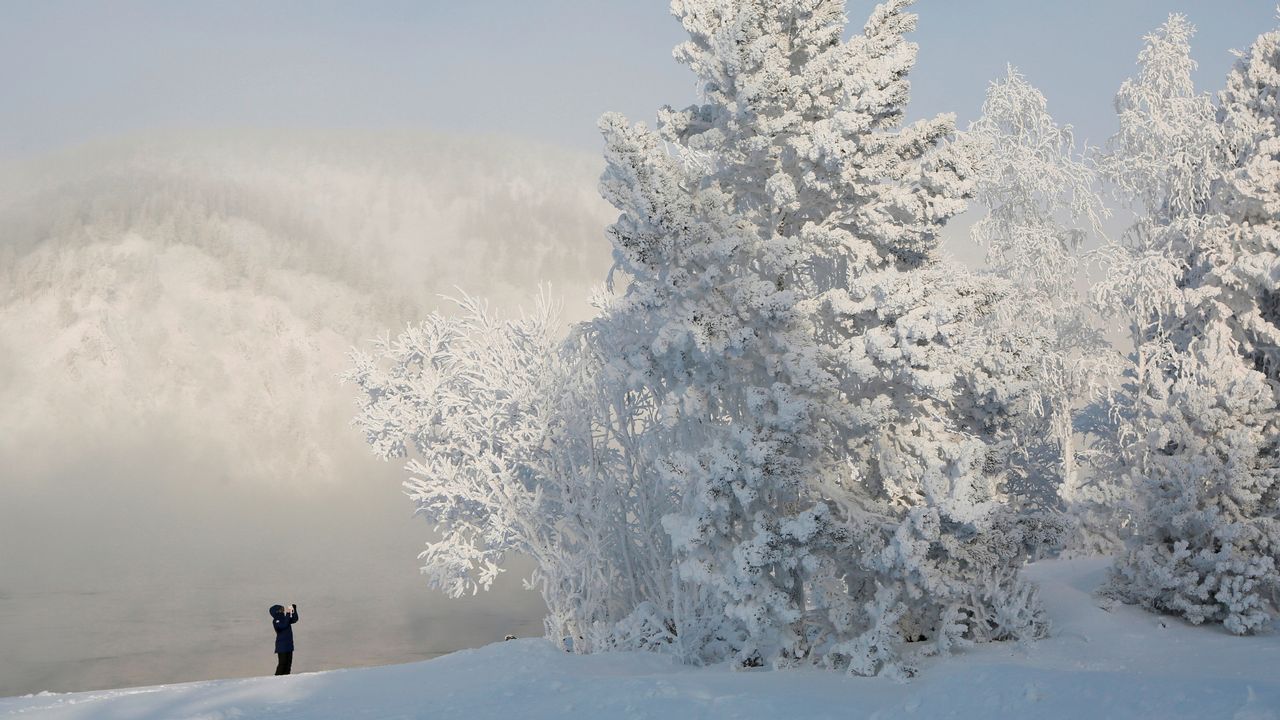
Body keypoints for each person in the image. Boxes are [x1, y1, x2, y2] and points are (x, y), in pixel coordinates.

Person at [269, 603, 299, 675]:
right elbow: (283, 625)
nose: (283, 610)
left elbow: (295, 619)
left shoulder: (285, 618)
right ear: (276, 611)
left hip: (289, 645)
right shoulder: (276, 620)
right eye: (281, 609)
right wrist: (288, 613)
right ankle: (276, 679)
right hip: (282, 646)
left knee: (288, 664)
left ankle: (285, 679)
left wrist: (294, 610)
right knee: (282, 664)